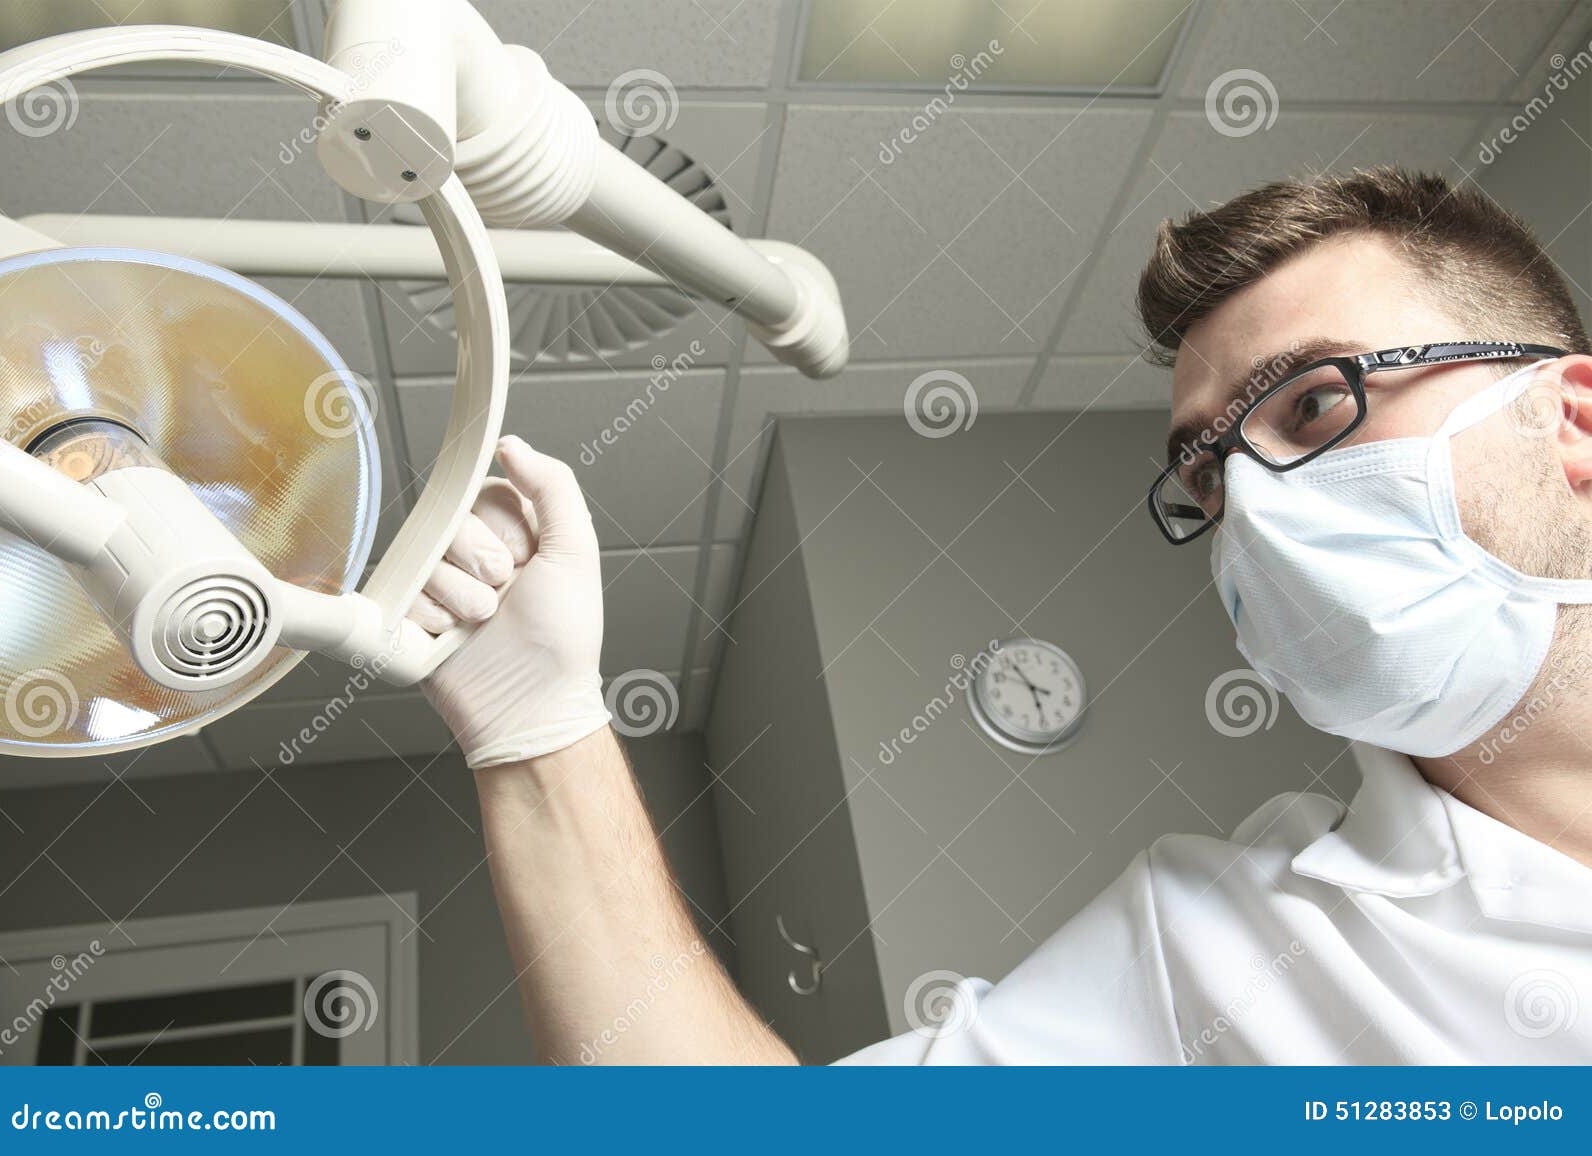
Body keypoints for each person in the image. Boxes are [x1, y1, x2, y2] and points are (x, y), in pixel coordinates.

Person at [412, 166, 1592, 1064]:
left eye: (1316, 402)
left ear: (1569, 422)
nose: (1259, 510)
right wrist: (538, 724)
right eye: (1211, 477)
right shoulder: (1220, 946)